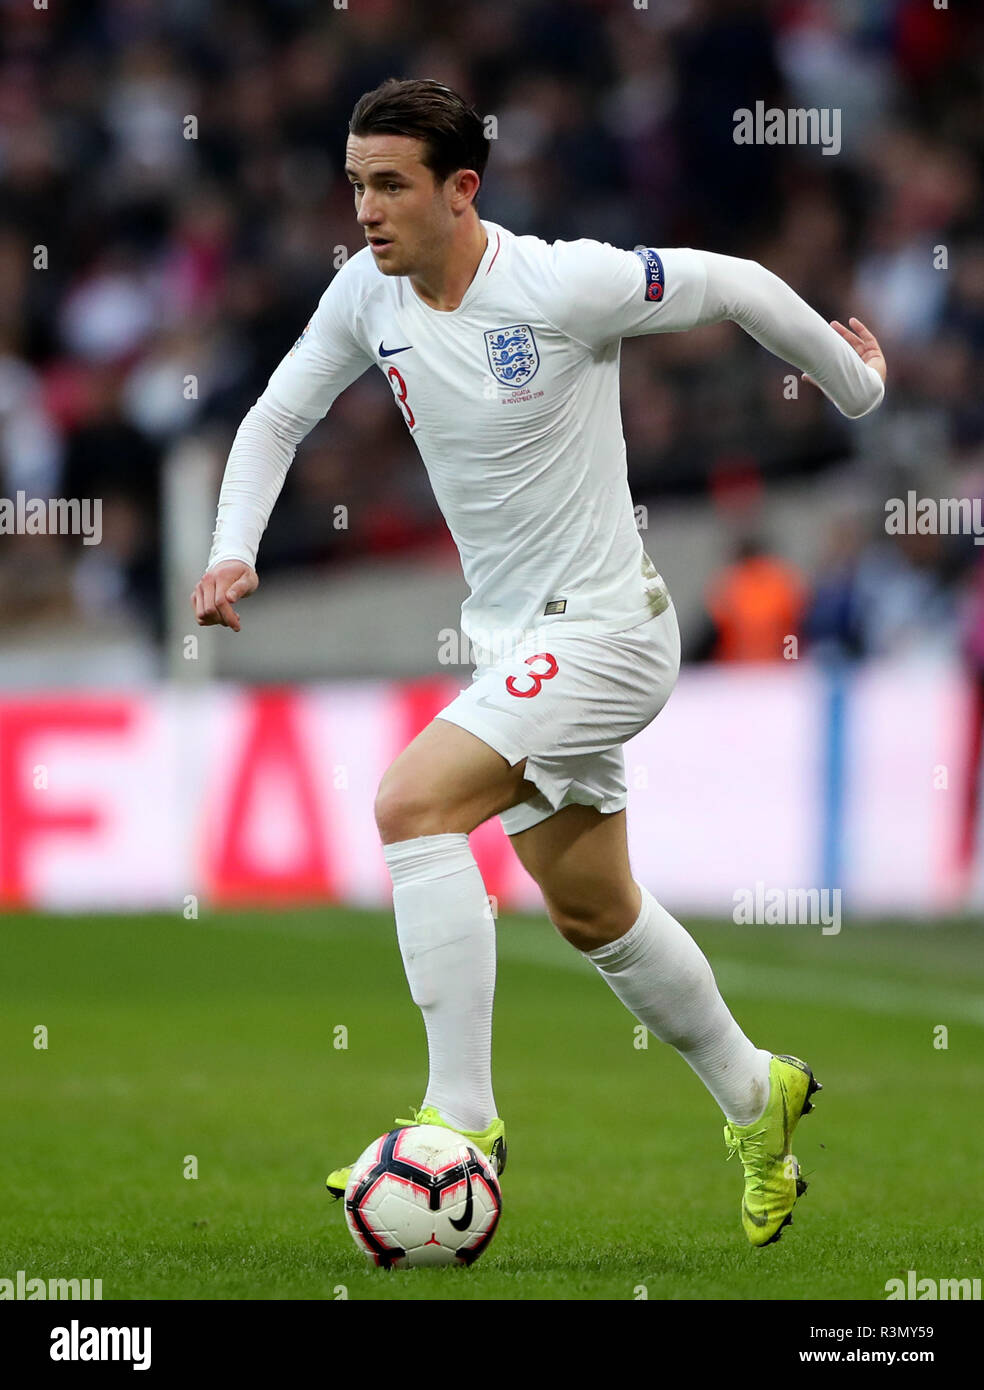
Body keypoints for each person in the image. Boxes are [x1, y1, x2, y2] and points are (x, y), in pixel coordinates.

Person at [191, 79, 886, 1246]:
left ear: (463, 190)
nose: (365, 208)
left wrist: (855, 384)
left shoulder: (565, 282)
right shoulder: (367, 292)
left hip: (610, 629)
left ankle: (460, 1120)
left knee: (413, 803)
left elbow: (740, 282)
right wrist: (230, 549)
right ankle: (754, 1092)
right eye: (356, 182)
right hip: (519, 640)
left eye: (391, 184)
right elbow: (274, 417)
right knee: (592, 908)